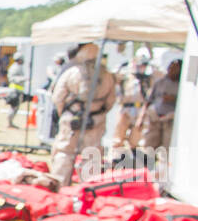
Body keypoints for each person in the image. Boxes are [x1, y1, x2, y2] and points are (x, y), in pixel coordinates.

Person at [48, 42, 117, 185]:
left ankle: (59, 185)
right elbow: (111, 101)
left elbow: (57, 97)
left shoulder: (72, 72)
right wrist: (98, 114)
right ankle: (87, 189)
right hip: (96, 121)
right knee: (91, 157)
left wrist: (64, 114)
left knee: (64, 153)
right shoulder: (107, 76)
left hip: (71, 120)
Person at [137, 57, 181, 156]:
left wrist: (173, 99)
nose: (171, 70)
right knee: (149, 146)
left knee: (167, 149)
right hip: (155, 118)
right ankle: (148, 167)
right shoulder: (159, 82)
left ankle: (163, 168)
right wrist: (140, 118)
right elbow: (148, 101)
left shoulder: (181, 85)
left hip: (170, 120)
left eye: (175, 68)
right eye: (171, 68)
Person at [110, 51, 151, 155]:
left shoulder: (147, 78)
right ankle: (115, 158)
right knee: (118, 138)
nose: (141, 66)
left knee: (135, 139)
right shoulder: (126, 75)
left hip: (140, 110)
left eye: (144, 64)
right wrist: (125, 65)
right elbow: (113, 75)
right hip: (126, 108)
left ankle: (131, 160)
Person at [5, 54, 27, 127]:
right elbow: (12, 78)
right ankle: (9, 122)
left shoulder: (18, 67)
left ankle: (10, 122)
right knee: (14, 106)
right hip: (14, 90)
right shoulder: (15, 68)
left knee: (16, 107)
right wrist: (23, 78)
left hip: (18, 90)